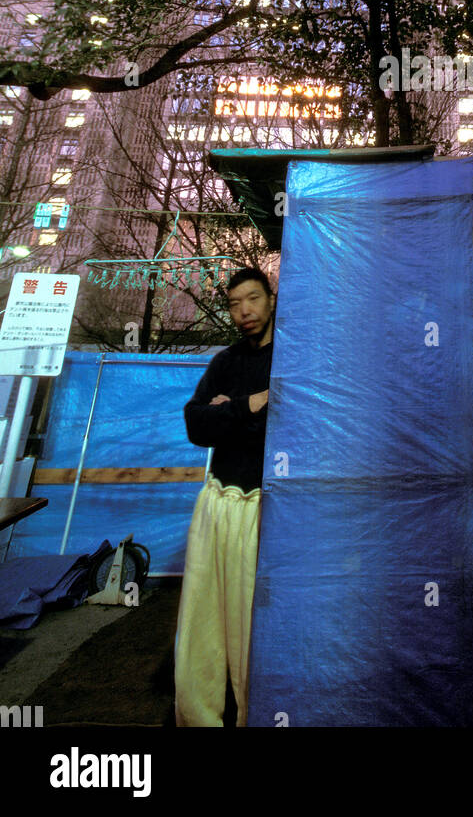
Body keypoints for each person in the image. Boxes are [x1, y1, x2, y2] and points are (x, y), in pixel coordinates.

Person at [174, 266, 275, 727]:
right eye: (235, 304)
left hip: (265, 504)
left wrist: (227, 414)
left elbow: (286, 423)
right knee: (206, 614)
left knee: (254, 617)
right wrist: (251, 404)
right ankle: (202, 713)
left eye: (252, 299)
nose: (244, 311)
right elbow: (196, 425)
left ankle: (258, 710)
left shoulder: (291, 356)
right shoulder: (225, 362)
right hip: (218, 499)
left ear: (270, 299)